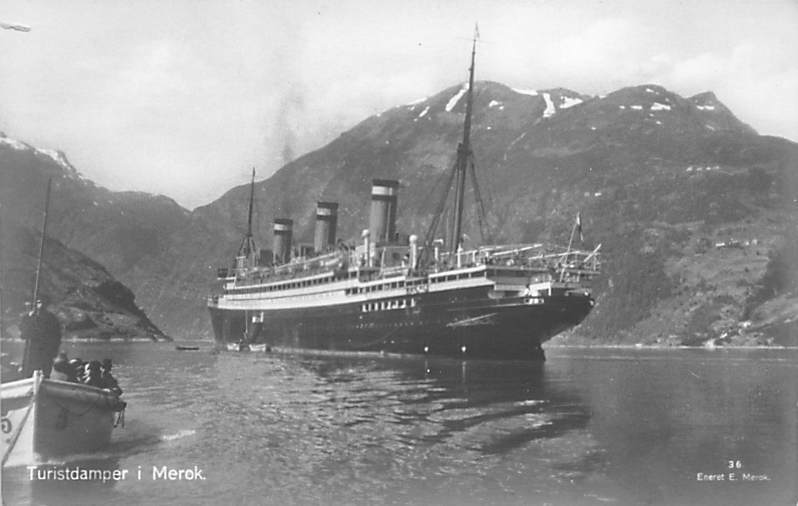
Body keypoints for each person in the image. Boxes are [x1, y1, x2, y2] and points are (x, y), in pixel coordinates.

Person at [20, 298, 62, 378]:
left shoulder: (52, 318)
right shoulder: (28, 317)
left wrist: (54, 351)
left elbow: (57, 337)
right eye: (38, 303)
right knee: (27, 373)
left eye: (42, 303)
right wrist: (30, 320)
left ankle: (43, 385)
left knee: (45, 373)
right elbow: (23, 334)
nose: (40, 305)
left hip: (46, 351)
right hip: (31, 351)